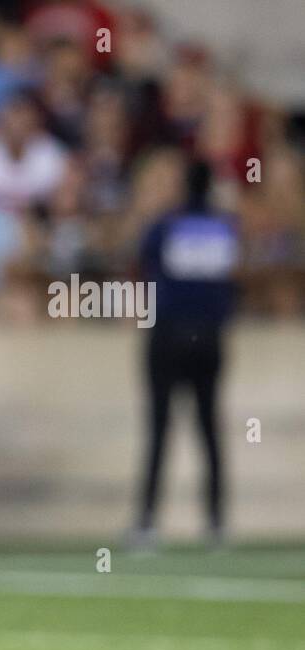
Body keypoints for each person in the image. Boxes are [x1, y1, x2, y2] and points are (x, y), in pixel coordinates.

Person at [134, 159, 238, 547]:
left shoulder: (166, 225)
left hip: (168, 335)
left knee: (160, 428)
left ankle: (147, 522)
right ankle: (216, 523)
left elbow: (144, 259)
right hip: (210, 338)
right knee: (209, 427)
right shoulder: (225, 227)